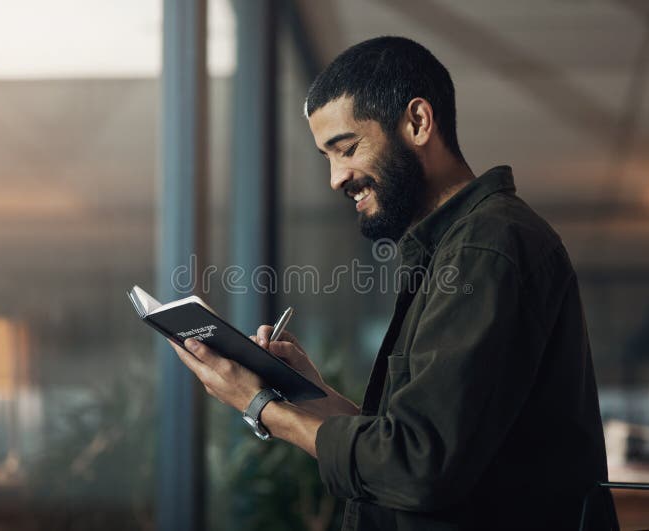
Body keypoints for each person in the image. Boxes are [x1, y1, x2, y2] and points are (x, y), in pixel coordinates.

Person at [170, 36, 616, 530]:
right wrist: (309, 393)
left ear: (418, 123)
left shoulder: (487, 248)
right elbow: (411, 438)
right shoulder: (459, 246)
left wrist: (260, 406)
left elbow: (417, 466)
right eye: (326, 157)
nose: (336, 178)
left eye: (347, 149)